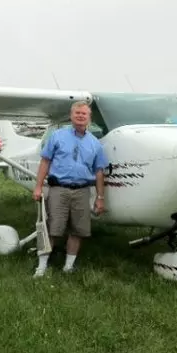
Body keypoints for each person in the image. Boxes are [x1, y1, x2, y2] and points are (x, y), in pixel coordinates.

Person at [32, 101, 109, 277]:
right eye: (77, 113)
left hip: (82, 191)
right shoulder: (57, 136)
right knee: (52, 228)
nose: (81, 116)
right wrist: (38, 187)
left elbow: (99, 171)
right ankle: (41, 267)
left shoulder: (95, 143)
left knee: (78, 230)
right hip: (59, 188)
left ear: (89, 118)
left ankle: (68, 266)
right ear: (71, 115)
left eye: (84, 114)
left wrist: (100, 197)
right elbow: (45, 161)